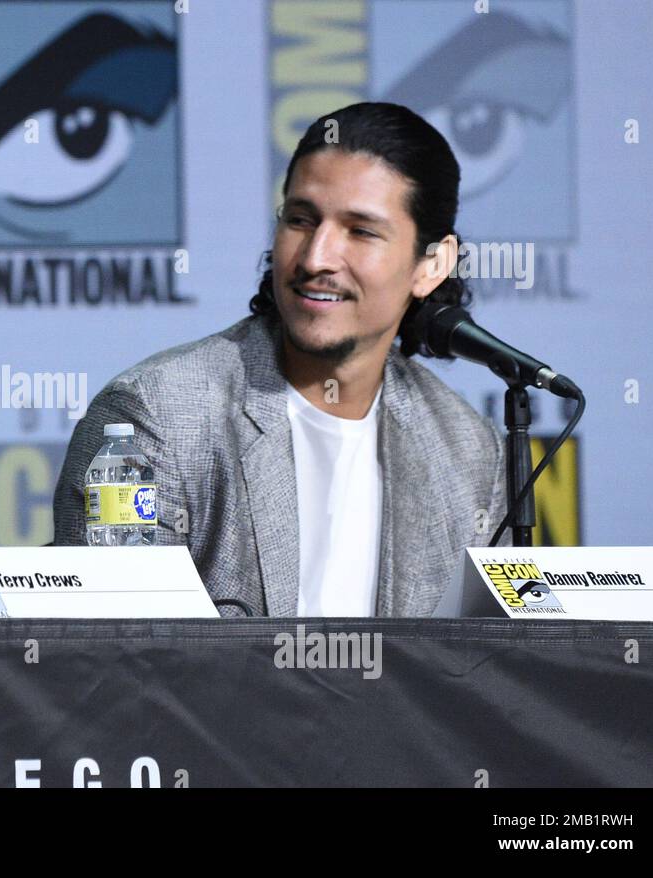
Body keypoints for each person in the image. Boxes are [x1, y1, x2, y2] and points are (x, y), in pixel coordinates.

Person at [54, 102, 508, 617]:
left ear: (431, 265)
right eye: (300, 220)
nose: (316, 258)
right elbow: (111, 660)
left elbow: (478, 676)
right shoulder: (151, 418)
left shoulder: (470, 452)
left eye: (361, 231)